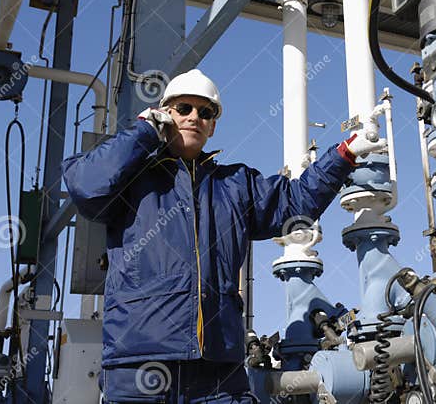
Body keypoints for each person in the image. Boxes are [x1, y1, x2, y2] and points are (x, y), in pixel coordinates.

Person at [61, 69, 385, 403]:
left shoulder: (234, 185)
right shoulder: (132, 180)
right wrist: (143, 132)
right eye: (183, 108)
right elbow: (86, 186)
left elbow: (294, 203)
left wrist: (344, 154)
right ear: (164, 113)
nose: (194, 118)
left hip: (217, 371)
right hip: (139, 368)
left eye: (205, 112)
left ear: (213, 125)